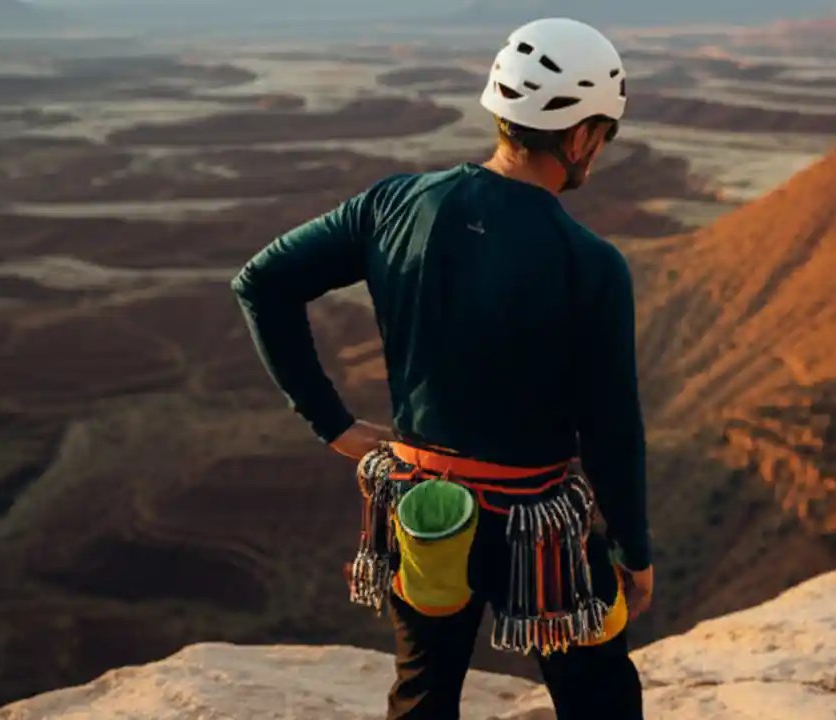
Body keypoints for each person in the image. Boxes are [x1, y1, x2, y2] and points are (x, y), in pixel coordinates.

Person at [230, 17, 652, 720]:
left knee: (423, 698)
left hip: (424, 513)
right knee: (600, 699)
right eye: (603, 135)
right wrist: (634, 550)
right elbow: (611, 427)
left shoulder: (394, 205)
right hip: (543, 528)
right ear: (580, 136)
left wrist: (330, 423)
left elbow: (261, 282)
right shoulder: (591, 264)